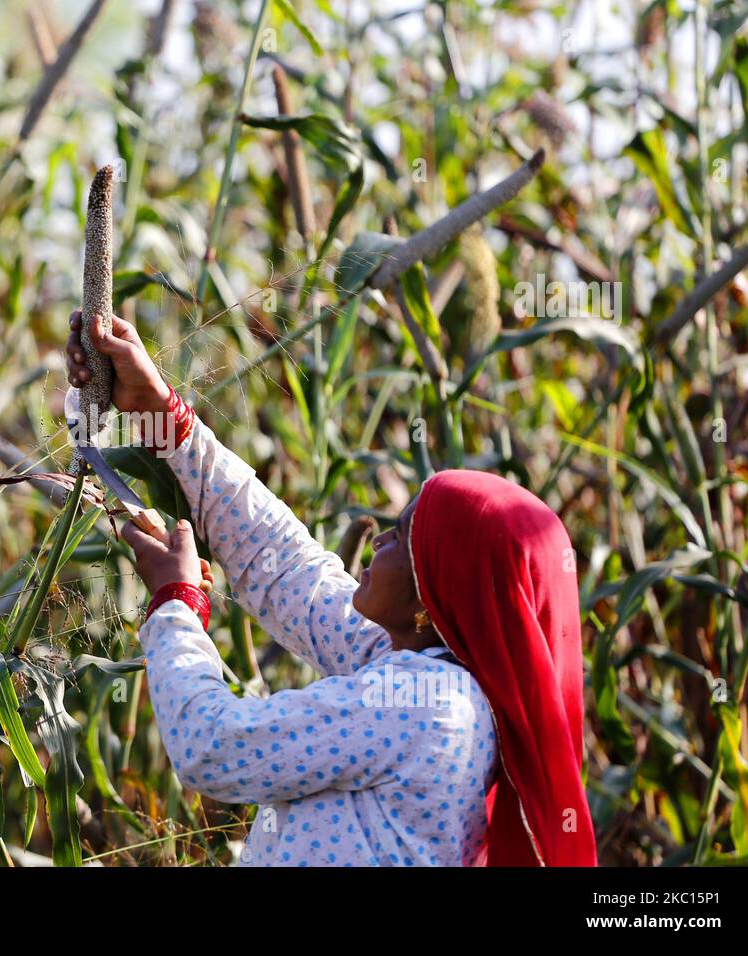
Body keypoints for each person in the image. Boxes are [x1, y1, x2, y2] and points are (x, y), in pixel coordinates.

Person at [66, 310, 596, 867]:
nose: (378, 540)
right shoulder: (435, 676)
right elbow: (286, 569)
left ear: (432, 599)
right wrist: (162, 417)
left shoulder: (426, 705)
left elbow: (213, 746)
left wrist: (177, 606)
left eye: (403, 535)